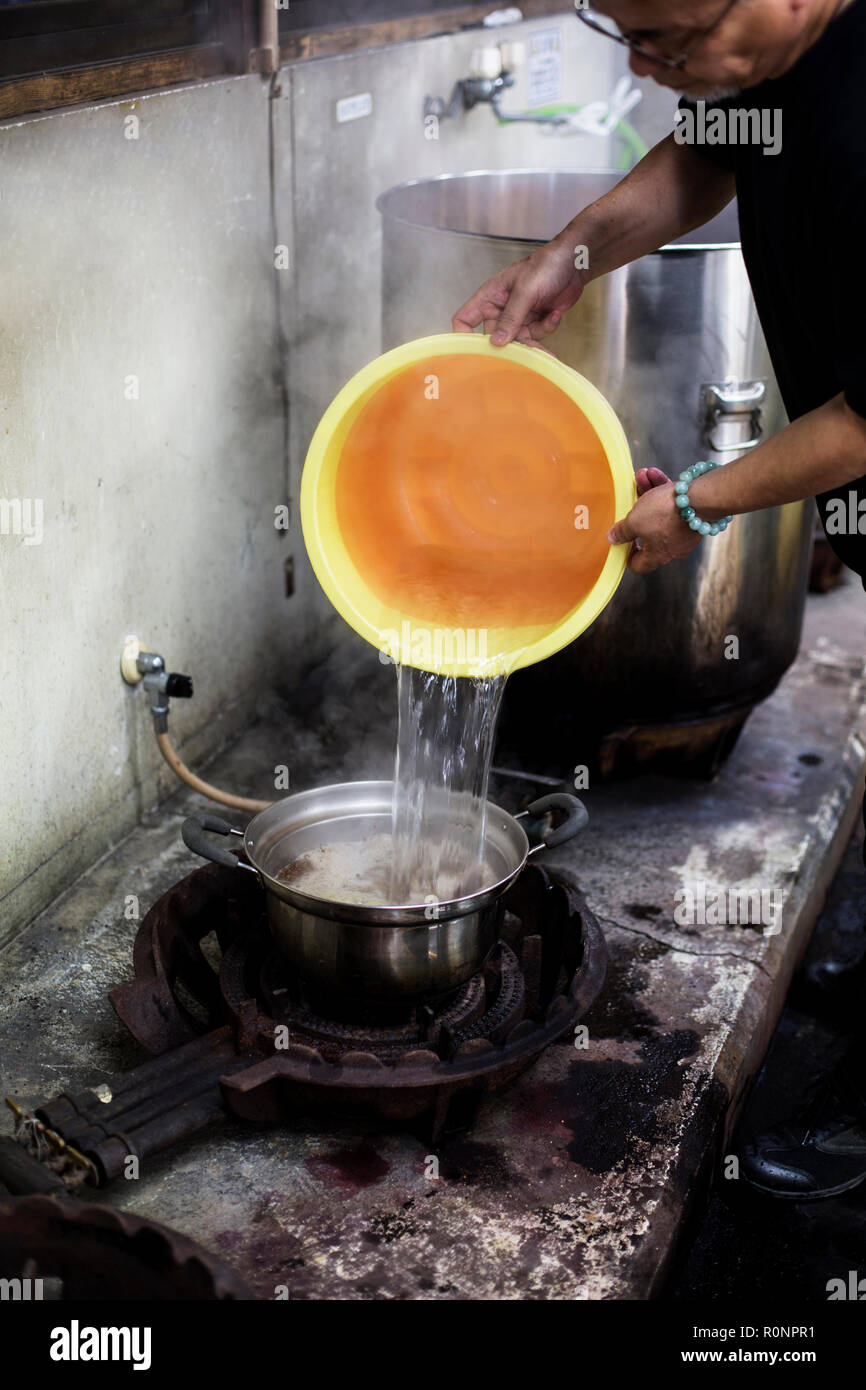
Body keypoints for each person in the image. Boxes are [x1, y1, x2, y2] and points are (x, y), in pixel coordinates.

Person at [453, 0, 866, 1199]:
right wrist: (568, 256)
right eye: (622, 34)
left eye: (669, 40)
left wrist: (697, 502)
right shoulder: (790, 53)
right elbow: (714, 150)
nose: (642, 68)